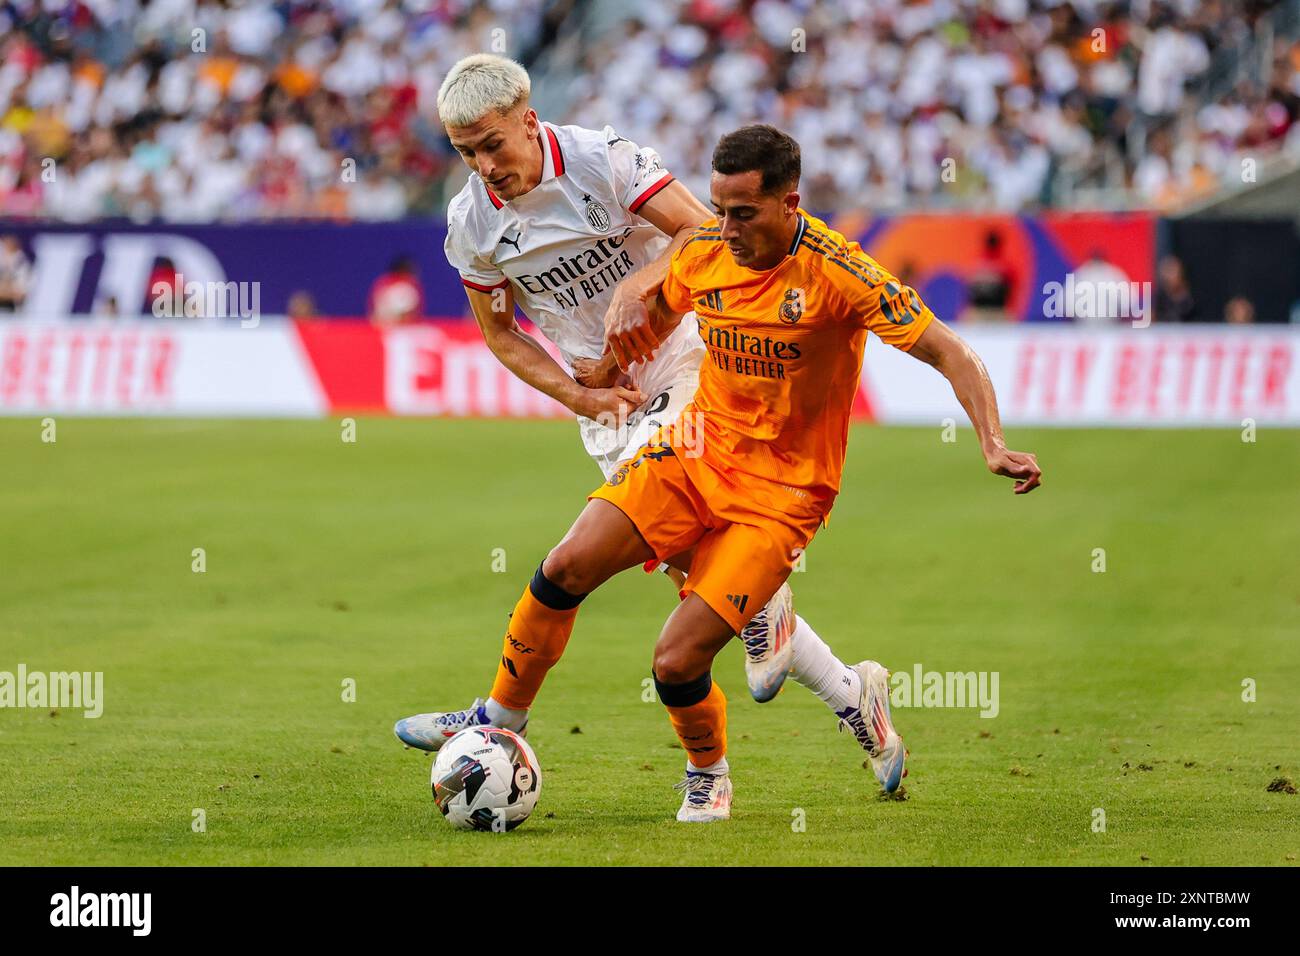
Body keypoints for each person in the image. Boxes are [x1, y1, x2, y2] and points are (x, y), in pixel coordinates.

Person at [410, 117, 1044, 823]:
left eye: (744, 213)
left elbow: (951, 351)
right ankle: (507, 717)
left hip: (783, 494)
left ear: (789, 204)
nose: (726, 227)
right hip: (693, 449)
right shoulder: (707, 250)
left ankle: (714, 763)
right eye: (720, 209)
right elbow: (654, 317)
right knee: (564, 567)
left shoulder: (841, 273)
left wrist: (991, 441)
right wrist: (600, 375)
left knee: (675, 662)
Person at [393, 56, 896, 793]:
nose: (483, 164)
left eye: (493, 144)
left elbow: (702, 231)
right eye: (466, 151)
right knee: (700, 577)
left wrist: (637, 284)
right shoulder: (471, 221)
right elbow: (502, 336)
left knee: (612, 558)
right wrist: (577, 394)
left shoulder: (602, 161)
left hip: (686, 360)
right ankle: (853, 697)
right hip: (609, 400)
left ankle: (507, 712)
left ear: (528, 121)